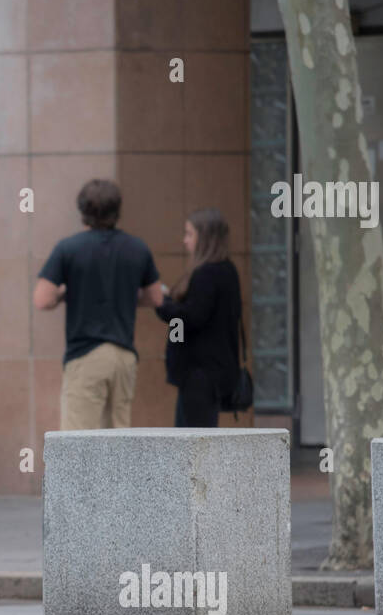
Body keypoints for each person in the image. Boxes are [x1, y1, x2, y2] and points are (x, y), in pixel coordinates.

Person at [33, 178, 163, 430]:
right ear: (118, 210)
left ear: (82, 211)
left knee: (77, 445)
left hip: (86, 356)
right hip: (124, 356)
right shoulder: (137, 248)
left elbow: (42, 299)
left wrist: (65, 293)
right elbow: (156, 297)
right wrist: (126, 295)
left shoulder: (68, 248)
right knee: (118, 443)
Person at [154, 208, 242, 428]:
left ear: (205, 238)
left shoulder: (207, 274)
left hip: (201, 375)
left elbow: (190, 320)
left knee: (193, 442)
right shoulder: (226, 270)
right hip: (208, 373)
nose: (184, 241)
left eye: (189, 234)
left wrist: (163, 304)